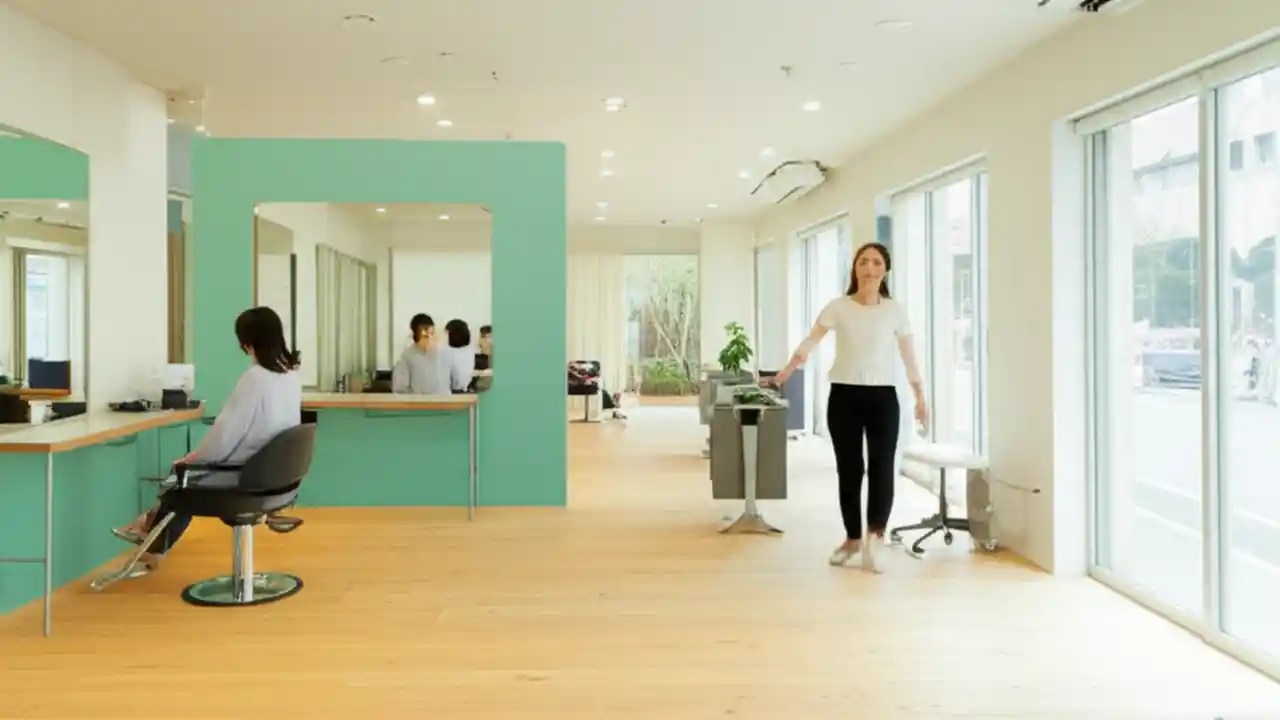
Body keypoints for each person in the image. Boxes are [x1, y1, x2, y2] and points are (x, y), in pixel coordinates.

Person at [766, 242, 927, 573]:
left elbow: (909, 356)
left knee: (882, 469)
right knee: (850, 470)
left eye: (876, 262)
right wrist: (784, 373)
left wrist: (920, 397)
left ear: (885, 270)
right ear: (855, 268)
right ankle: (852, 538)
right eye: (863, 262)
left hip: (883, 399)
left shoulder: (895, 311)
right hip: (844, 397)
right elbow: (809, 343)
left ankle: (875, 540)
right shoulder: (838, 307)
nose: (869, 268)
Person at [111, 306, 303, 574]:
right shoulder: (290, 376)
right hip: (277, 477)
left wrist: (195, 459)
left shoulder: (255, 379)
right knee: (182, 478)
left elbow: (227, 434)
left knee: (181, 477)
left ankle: (152, 539)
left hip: (245, 478)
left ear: (247, 343)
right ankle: (150, 527)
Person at [392, 313, 447, 394]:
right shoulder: (407, 356)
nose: (429, 337)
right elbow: (400, 389)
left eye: (431, 333)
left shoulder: (445, 353)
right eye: (425, 334)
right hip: (418, 400)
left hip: (446, 400)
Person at [440, 319, 477, 393]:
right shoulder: (470, 351)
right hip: (465, 390)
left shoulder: (446, 352)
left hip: (452, 392)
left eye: (445, 333)